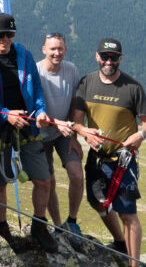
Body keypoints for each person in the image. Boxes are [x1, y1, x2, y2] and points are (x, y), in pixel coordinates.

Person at [70, 38, 146, 267]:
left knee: (127, 214)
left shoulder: (133, 87)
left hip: (123, 161)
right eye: (105, 57)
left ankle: (133, 264)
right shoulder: (86, 83)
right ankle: (119, 242)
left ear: (120, 59)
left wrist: (139, 136)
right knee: (97, 203)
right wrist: (84, 133)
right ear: (97, 57)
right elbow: (76, 122)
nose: (109, 61)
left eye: (114, 57)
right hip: (96, 159)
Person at [0, 13, 58, 253]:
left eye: (9, 35)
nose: (5, 39)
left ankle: (38, 224)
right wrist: (5, 115)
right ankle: (2, 227)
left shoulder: (24, 54)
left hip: (27, 124)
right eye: (0, 35)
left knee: (43, 179)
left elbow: (35, 89)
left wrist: (42, 112)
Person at [36, 32, 87, 250]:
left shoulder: (71, 70)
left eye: (60, 49)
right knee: (49, 183)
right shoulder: (36, 72)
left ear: (65, 50)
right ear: (44, 50)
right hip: (41, 133)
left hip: (64, 132)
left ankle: (72, 221)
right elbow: (35, 109)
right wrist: (58, 124)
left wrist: (75, 135)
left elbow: (76, 102)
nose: (57, 53)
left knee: (76, 174)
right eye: (52, 49)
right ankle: (58, 226)